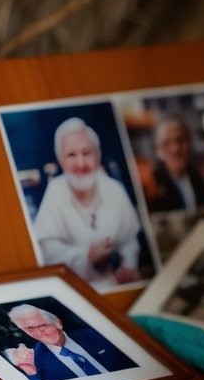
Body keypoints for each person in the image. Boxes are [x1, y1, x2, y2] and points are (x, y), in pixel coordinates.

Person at [32, 117, 144, 286]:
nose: (81, 163)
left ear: (97, 155)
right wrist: (86, 256)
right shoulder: (55, 190)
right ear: (61, 160)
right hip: (75, 287)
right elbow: (46, 250)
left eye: (86, 152)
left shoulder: (113, 188)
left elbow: (129, 240)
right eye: (71, 155)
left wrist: (128, 264)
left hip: (115, 285)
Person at [4, 304, 136, 380]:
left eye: (43, 325)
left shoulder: (98, 334)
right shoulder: (35, 363)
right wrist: (32, 373)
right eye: (31, 329)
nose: (40, 333)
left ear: (58, 323)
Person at [146, 115, 204, 215]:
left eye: (180, 140)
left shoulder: (202, 176)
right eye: (167, 143)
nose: (176, 149)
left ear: (190, 143)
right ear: (158, 149)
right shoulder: (152, 184)